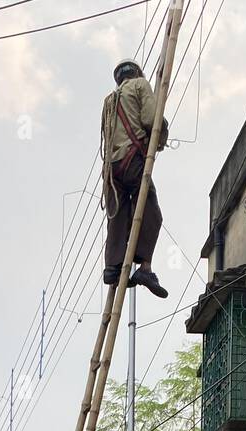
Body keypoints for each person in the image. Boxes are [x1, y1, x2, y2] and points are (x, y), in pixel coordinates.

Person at [101, 59, 169, 298]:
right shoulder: (140, 85)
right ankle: (145, 267)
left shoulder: (109, 101)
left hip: (112, 169)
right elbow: (152, 120)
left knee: (118, 216)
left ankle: (113, 267)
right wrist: (163, 130)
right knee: (150, 210)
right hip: (133, 161)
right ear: (136, 72)